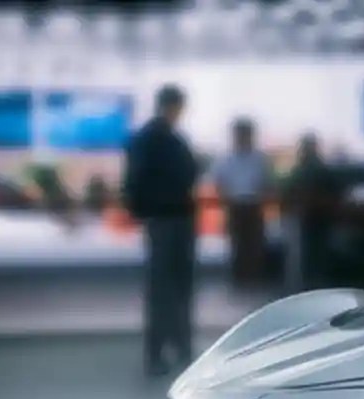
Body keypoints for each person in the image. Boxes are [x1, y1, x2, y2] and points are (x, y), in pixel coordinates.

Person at [123, 84, 199, 377]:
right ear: (173, 106)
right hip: (173, 218)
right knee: (174, 288)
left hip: (162, 218)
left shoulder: (147, 139)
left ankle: (165, 348)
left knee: (164, 288)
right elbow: (187, 173)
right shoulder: (167, 140)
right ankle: (174, 347)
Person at [212, 118, 274, 288]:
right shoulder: (226, 159)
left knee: (255, 244)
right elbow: (218, 182)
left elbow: (267, 182)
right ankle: (238, 280)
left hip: (254, 205)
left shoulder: (260, 158)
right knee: (237, 244)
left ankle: (255, 279)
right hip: (235, 206)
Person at [282, 134, 341, 290]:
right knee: (313, 252)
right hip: (311, 217)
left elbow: (289, 192)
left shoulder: (304, 170)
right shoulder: (315, 169)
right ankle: (313, 282)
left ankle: (310, 283)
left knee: (311, 252)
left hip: (314, 216)